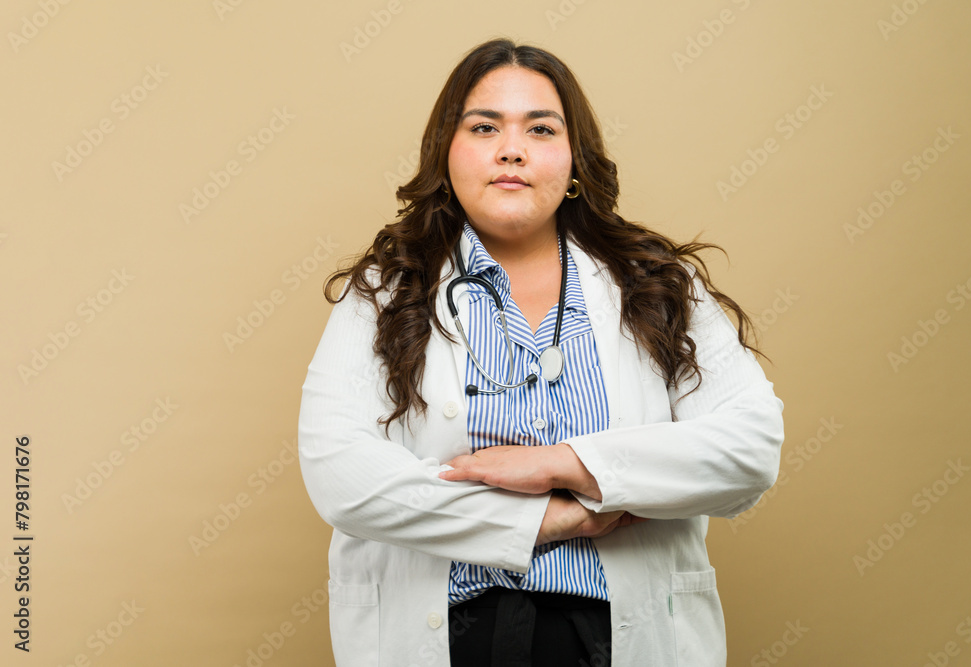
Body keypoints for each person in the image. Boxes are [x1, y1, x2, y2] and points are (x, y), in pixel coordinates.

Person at [298, 37, 785, 667]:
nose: (511, 149)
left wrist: (566, 464)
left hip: (619, 637)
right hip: (449, 635)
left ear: (575, 159)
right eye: (483, 126)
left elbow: (750, 449)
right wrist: (545, 523)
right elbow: (341, 476)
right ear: (446, 153)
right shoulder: (387, 291)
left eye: (541, 128)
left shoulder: (656, 284)